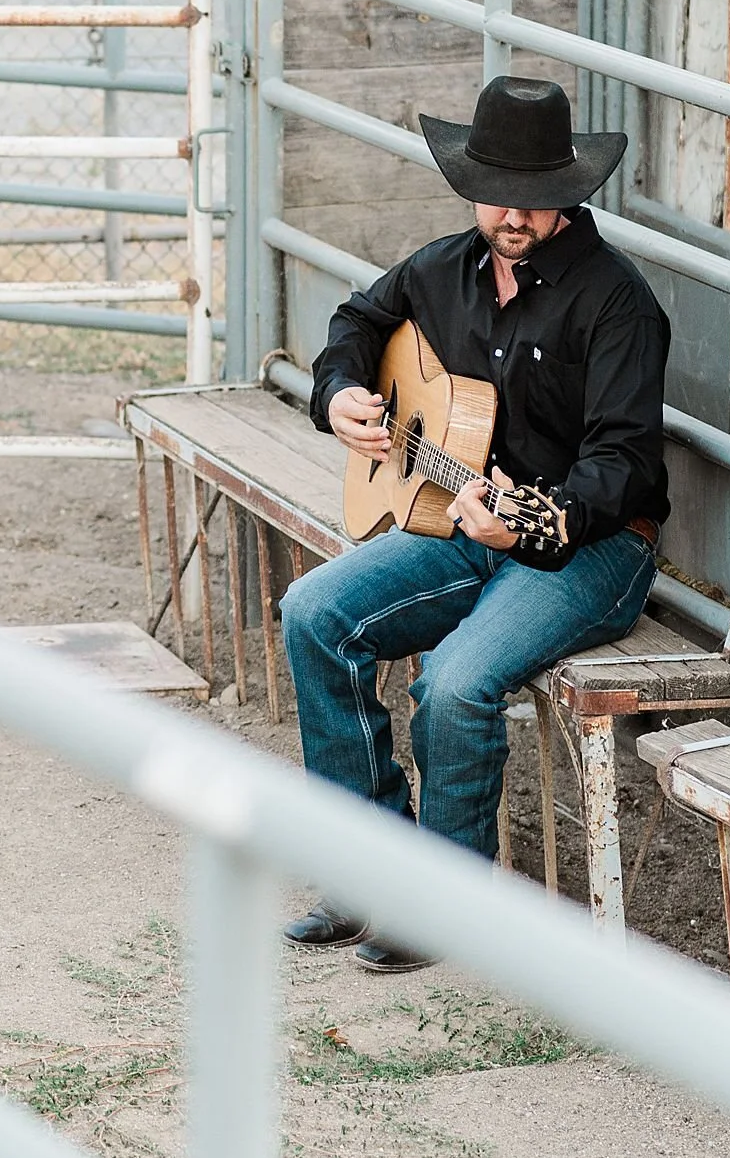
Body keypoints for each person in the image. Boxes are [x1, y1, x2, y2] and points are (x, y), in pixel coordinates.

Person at [284, 75, 672, 972]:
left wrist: (529, 526)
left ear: (568, 191)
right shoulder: (440, 270)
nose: (514, 216)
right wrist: (339, 393)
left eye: (535, 198)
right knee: (313, 614)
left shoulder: (616, 301)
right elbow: (357, 321)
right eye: (497, 194)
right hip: (459, 522)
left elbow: (624, 464)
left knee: (455, 683)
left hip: (591, 548)